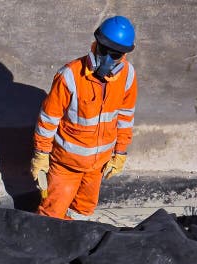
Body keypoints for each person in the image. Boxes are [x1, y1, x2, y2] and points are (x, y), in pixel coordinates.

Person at [30, 16, 138, 220]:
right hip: (65, 166)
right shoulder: (70, 76)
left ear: (124, 55)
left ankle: (72, 247)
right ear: (96, 43)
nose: (107, 59)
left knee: (82, 213)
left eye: (114, 55)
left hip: (97, 167)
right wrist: (41, 154)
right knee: (51, 214)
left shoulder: (128, 76)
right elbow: (48, 120)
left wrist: (120, 152)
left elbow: (125, 117)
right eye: (104, 50)